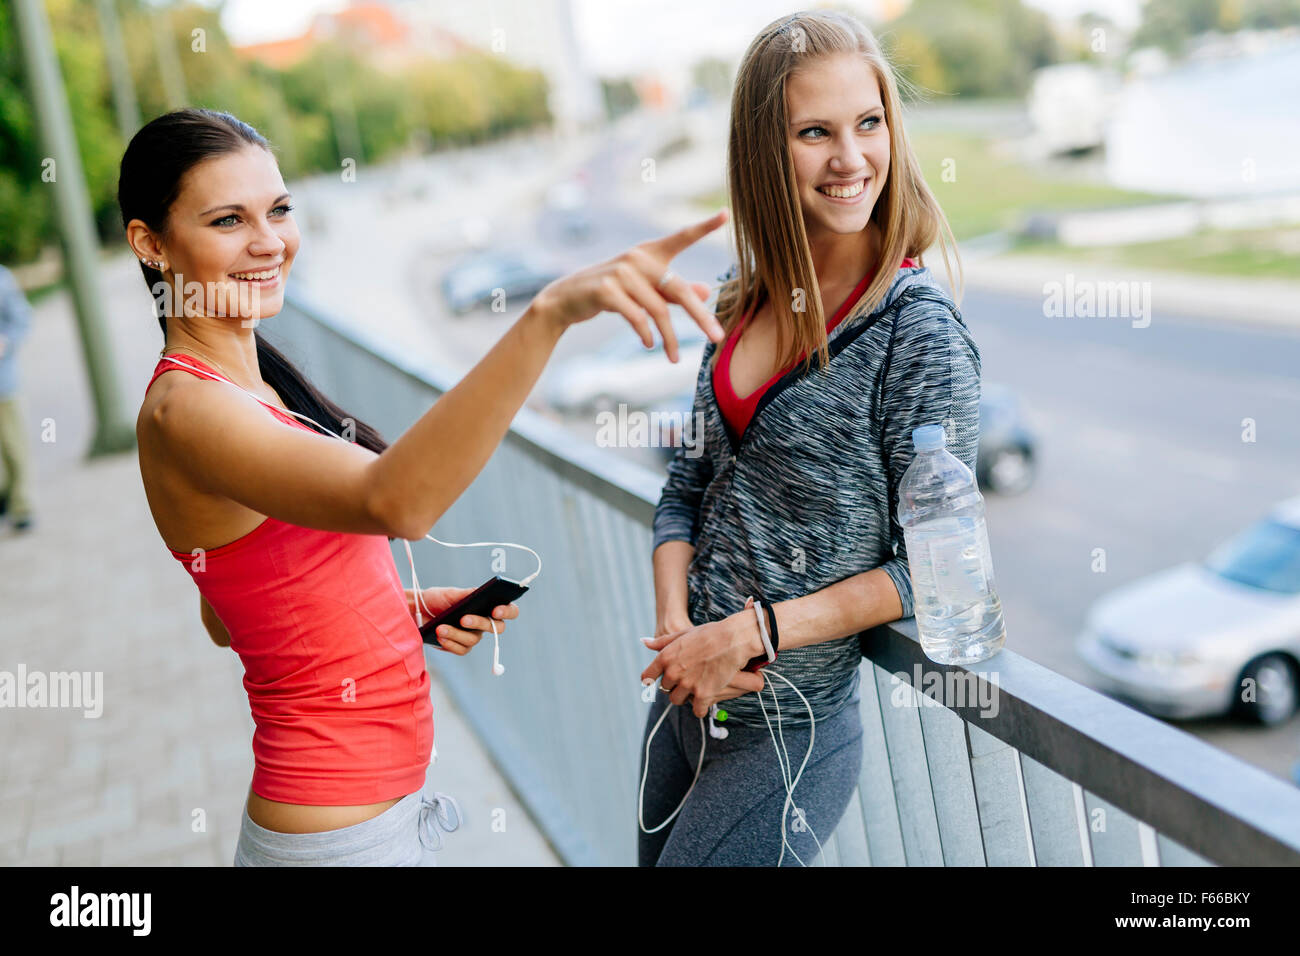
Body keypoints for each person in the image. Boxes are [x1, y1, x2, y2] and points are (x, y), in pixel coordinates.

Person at [119, 107, 727, 866]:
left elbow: (229, 607)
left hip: (364, 823)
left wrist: (387, 614)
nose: (269, 242)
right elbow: (397, 500)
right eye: (227, 220)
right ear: (150, 243)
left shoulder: (251, 391)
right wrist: (549, 314)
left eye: (278, 209)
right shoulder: (187, 411)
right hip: (338, 838)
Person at [638, 9, 982, 866]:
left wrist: (749, 633)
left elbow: (938, 570)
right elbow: (686, 488)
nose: (851, 158)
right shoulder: (738, 297)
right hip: (684, 707)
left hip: (789, 740)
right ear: (765, 150)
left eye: (869, 124)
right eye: (814, 132)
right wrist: (680, 629)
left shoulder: (916, 328)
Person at [0, 262, 35, 534]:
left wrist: (6, 341)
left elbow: (22, 318)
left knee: (12, 443)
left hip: (3, 383)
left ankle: (21, 505)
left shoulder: (2, 278)